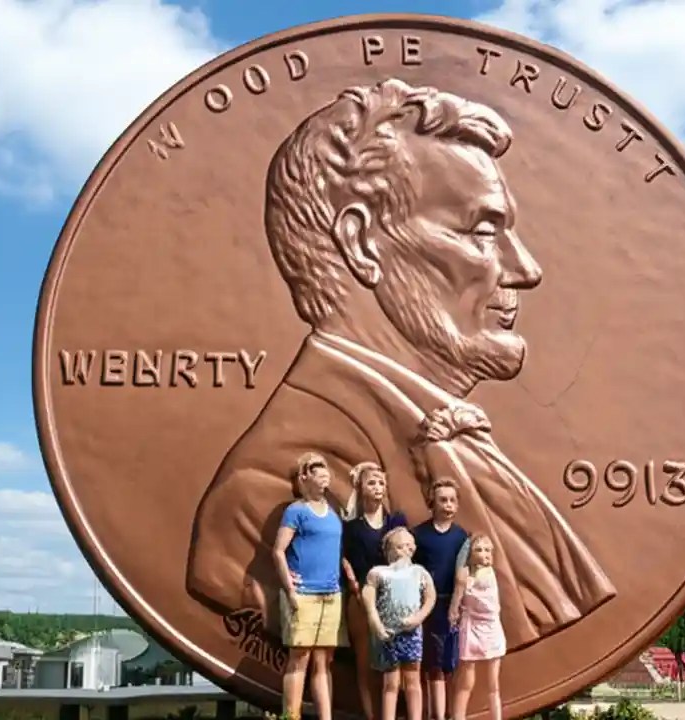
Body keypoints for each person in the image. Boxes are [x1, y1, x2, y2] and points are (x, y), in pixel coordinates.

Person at [185, 79, 616, 651]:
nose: (525, 268)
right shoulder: (260, 499)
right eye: (482, 232)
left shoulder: (460, 439)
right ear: (361, 243)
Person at [272, 452, 344, 720]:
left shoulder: (333, 512)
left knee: (323, 662)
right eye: (316, 468)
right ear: (304, 476)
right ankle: (292, 716)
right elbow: (279, 550)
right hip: (303, 595)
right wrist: (290, 588)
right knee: (299, 659)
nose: (323, 472)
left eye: (325, 467)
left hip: (331, 594)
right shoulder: (296, 511)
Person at [342, 461, 410, 720]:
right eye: (372, 482)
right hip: (361, 600)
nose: (378, 487)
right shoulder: (352, 527)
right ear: (360, 487)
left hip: (393, 601)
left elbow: (407, 556)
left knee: (395, 665)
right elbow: (344, 558)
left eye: (381, 482)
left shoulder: (396, 521)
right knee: (365, 664)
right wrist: (354, 585)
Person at [361, 527, 435, 720]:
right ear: (388, 550)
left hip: (411, 632)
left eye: (409, 546)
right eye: (400, 546)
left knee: (412, 678)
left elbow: (430, 598)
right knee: (391, 682)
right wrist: (375, 622)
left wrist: (418, 617)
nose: (405, 550)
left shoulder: (419, 572)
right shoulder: (378, 573)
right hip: (388, 633)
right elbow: (368, 598)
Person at [411, 478, 469, 720]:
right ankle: (431, 714)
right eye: (442, 500)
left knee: (448, 665)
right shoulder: (419, 535)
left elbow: (463, 574)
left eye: (452, 500)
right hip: (426, 608)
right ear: (431, 502)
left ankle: (446, 714)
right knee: (429, 666)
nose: (448, 505)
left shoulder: (460, 536)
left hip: (451, 606)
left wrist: (456, 605)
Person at [449, 534, 505, 720]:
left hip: (491, 628)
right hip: (471, 627)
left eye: (487, 550)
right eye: (479, 550)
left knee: (493, 684)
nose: (484, 554)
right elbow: (457, 598)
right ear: (470, 554)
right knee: (466, 681)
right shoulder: (464, 576)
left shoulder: (489, 574)